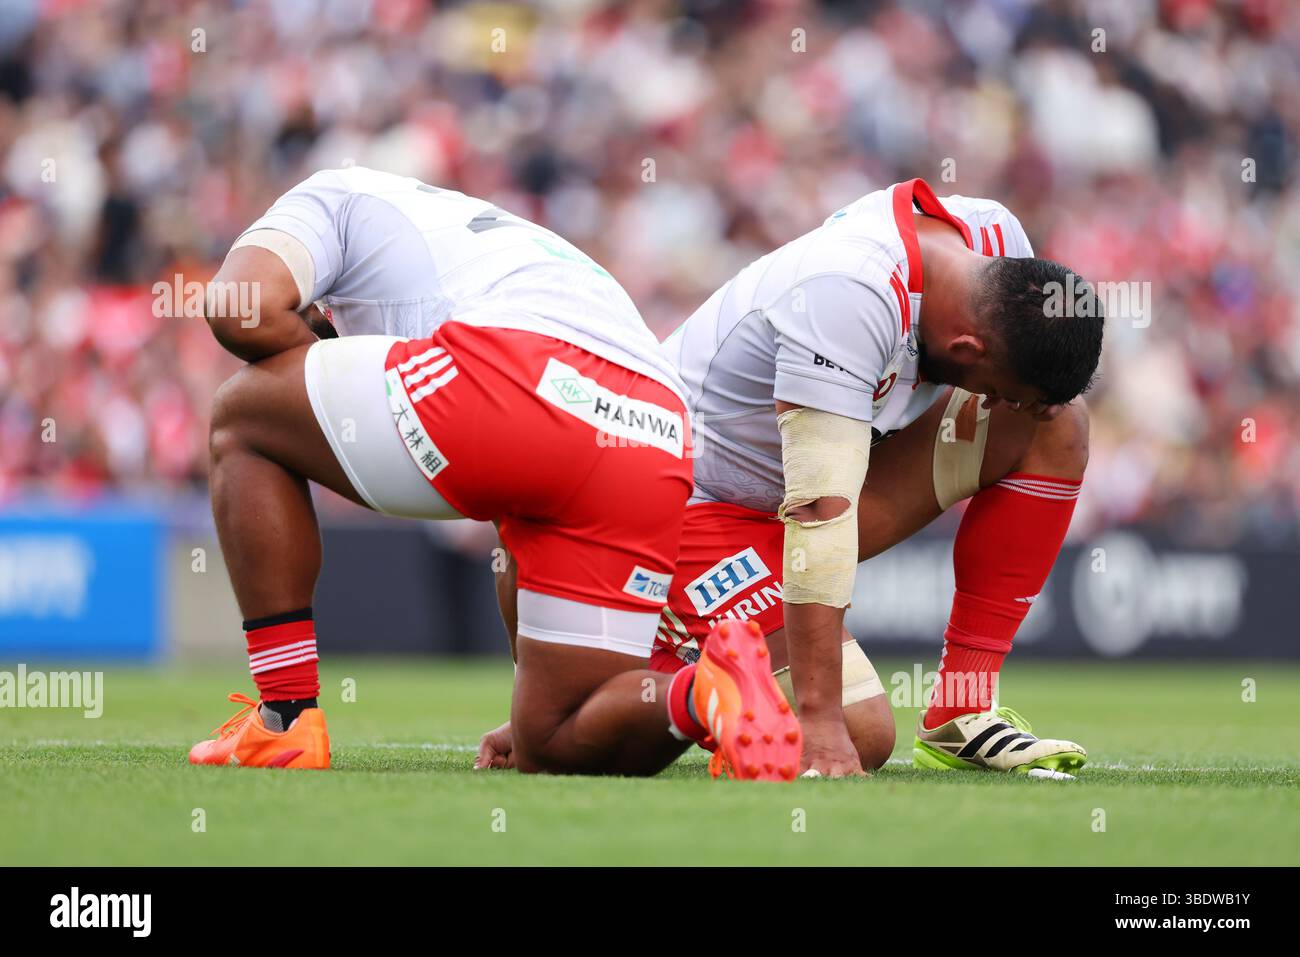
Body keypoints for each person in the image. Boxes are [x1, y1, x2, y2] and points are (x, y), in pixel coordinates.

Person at [188, 166, 801, 780]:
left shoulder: (329, 194)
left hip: (518, 372)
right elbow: (519, 522)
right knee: (555, 738)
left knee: (241, 418)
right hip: (656, 424)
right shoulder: (488, 238)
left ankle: (284, 716)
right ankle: (706, 692)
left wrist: (312, 356)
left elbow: (237, 309)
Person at [649, 177, 1102, 777]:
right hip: (689, 501)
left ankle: (961, 709)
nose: (994, 404)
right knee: (857, 734)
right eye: (996, 392)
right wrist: (817, 718)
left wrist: (1030, 395)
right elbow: (820, 513)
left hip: (786, 501)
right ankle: (630, 664)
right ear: (967, 348)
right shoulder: (850, 292)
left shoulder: (995, 242)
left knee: (1058, 422)